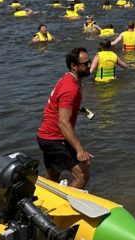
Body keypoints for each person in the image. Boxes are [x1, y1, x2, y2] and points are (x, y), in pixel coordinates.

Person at [37, 47, 93, 188]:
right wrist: (79, 150)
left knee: (53, 175)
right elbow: (63, 122)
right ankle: (65, 209)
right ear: (74, 66)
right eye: (85, 64)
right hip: (54, 138)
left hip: (46, 137)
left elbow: (62, 104)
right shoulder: (71, 88)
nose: (90, 66)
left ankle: (41, 200)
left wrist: (81, 109)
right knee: (82, 175)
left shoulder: (70, 78)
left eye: (89, 62)